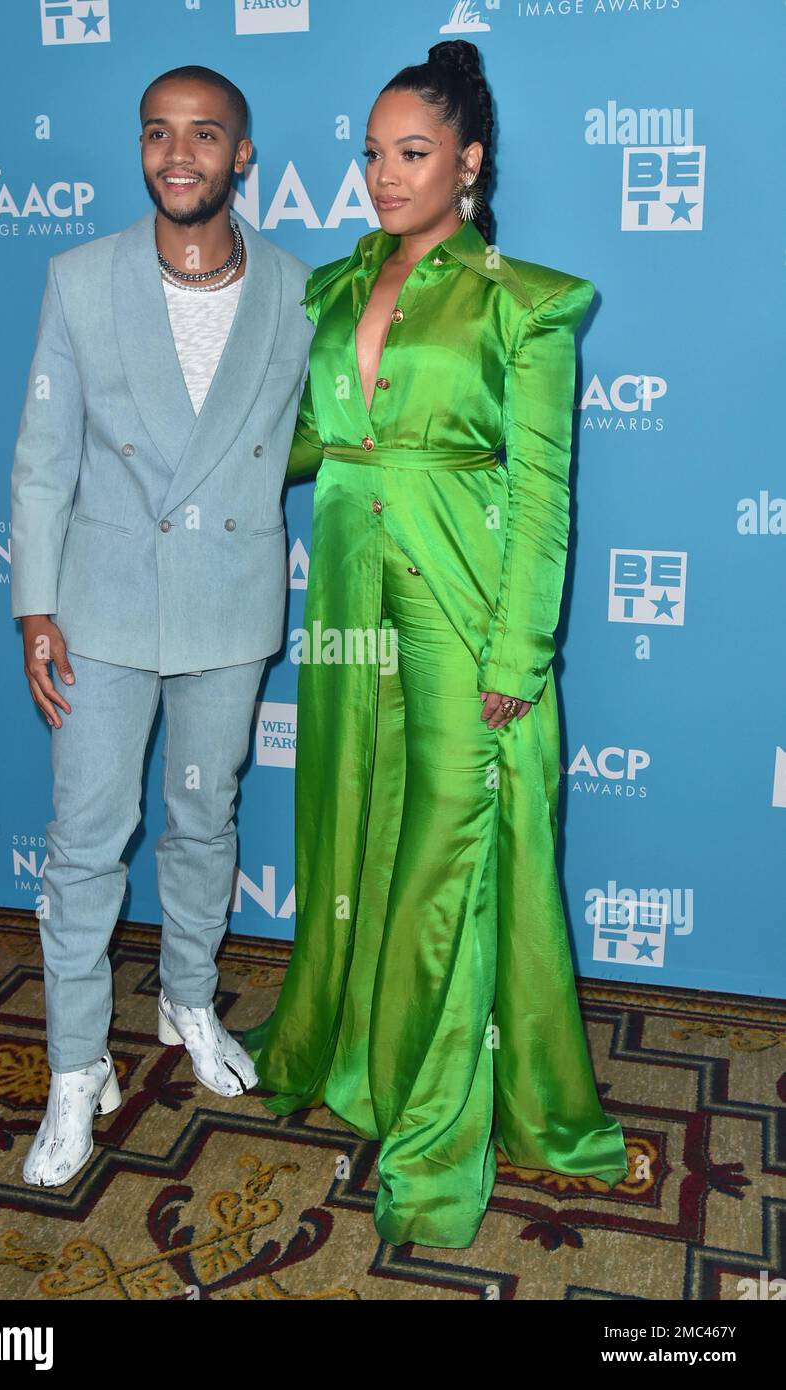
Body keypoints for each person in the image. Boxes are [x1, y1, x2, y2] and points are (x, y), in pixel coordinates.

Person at [243, 40, 629, 1249]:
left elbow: (547, 492)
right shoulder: (334, 282)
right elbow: (304, 443)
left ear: (466, 161)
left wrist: (520, 655)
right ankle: (344, 1048)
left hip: (464, 604)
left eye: (410, 154)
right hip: (349, 594)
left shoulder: (522, 300)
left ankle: (428, 1118)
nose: (381, 176)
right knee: (349, 820)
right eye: (369, 155)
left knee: (444, 857)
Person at [10, 65, 313, 1187]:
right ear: (141, 148)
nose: (176, 153)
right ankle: (74, 1069)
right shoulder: (80, 278)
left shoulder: (294, 288)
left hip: (229, 603)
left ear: (243, 154)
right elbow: (43, 462)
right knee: (86, 844)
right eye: (156, 133)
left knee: (203, 819)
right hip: (103, 604)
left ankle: (187, 998)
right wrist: (35, 604)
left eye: (203, 135)